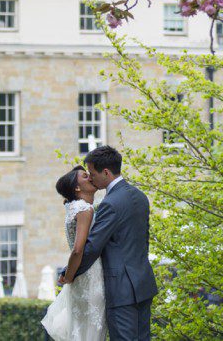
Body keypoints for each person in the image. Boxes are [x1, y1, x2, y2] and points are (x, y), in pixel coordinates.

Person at [67, 146, 157, 341]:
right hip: (143, 284)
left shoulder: (111, 203)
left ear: (106, 172)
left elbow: (91, 248)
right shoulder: (140, 197)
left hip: (121, 289)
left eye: (92, 173)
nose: (90, 178)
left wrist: (69, 274)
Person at [41, 166, 106, 341]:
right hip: (90, 277)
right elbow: (78, 250)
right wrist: (69, 276)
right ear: (77, 188)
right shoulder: (84, 209)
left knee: (80, 330)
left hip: (82, 276)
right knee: (91, 333)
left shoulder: (74, 207)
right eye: (86, 176)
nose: (91, 177)